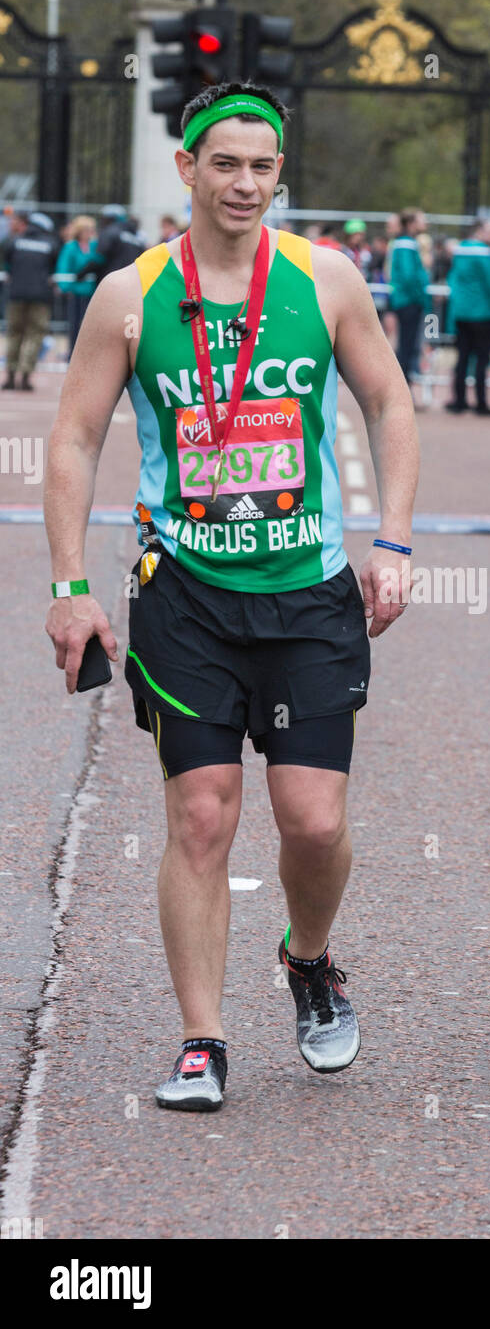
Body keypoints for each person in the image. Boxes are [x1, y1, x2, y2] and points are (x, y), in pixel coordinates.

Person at [44, 80, 419, 1112]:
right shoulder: (129, 295)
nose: (245, 183)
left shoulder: (326, 278)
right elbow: (74, 438)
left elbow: (387, 401)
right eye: (225, 163)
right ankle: (202, 1039)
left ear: (279, 176)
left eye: (262, 166)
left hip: (306, 593)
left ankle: (307, 957)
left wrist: (390, 538)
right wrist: (71, 585)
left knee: (310, 819)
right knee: (202, 815)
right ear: (187, 169)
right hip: (187, 594)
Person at [445, 219, 490, 416]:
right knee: (482, 359)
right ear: (480, 231)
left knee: (462, 357)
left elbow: (453, 278)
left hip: (461, 311)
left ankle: (459, 400)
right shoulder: (484, 252)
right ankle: (481, 403)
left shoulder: (460, 249)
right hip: (482, 313)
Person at [1, 210, 57, 391]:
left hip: (16, 294)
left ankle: (10, 376)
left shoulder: (15, 241)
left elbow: (7, 261)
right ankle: (25, 376)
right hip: (40, 297)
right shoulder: (50, 243)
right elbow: (53, 267)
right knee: (35, 335)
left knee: (14, 334)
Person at [388, 207, 429, 384]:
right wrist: (420, 295)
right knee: (407, 345)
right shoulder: (406, 244)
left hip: (407, 299)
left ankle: (404, 384)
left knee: (407, 344)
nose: (425, 223)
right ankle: (403, 386)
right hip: (409, 301)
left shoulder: (406, 243)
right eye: (422, 219)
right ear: (411, 223)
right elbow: (408, 276)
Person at [75, 204, 147, 286]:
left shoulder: (109, 233)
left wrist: (80, 274)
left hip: (112, 283)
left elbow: (98, 258)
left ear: (109, 219)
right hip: (134, 283)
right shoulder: (136, 236)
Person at [56, 215, 97, 359]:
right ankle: (72, 354)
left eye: (91, 229)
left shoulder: (94, 245)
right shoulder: (70, 246)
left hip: (92, 291)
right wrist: (64, 286)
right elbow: (63, 266)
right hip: (76, 291)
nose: (89, 232)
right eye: (86, 229)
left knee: (91, 325)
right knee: (74, 324)